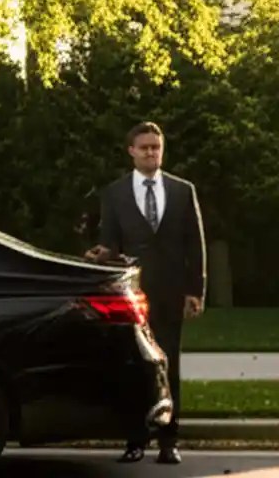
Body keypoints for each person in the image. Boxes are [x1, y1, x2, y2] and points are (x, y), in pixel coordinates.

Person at [84, 121, 206, 465]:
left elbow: (195, 245)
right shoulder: (115, 193)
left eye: (156, 147)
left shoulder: (183, 191)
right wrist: (100, 255)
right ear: (132, 151)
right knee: (132, 366)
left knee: (168, 365)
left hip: (170, 291)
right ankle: (135, 440)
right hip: (132, 296)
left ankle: (169, 441)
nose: (151, 152)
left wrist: (195, 290)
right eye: (145, 147)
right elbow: (110, 242)